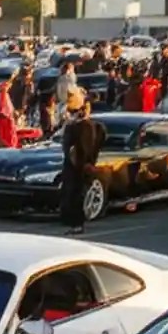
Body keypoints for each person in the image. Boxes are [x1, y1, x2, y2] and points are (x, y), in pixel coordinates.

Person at [58, 93, 105, 236]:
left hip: (78, 166)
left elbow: (84, 148)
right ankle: (74, 223)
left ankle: (77, 224)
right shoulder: (75, 125)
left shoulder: (85, 126)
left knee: (76, 195)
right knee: (70, 194)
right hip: (72, 165)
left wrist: (84, 163)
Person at [0, 78, 18, 148]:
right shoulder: (3, 95)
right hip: (6, 123)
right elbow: (4, 111)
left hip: (7, 122)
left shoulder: (4, 95)